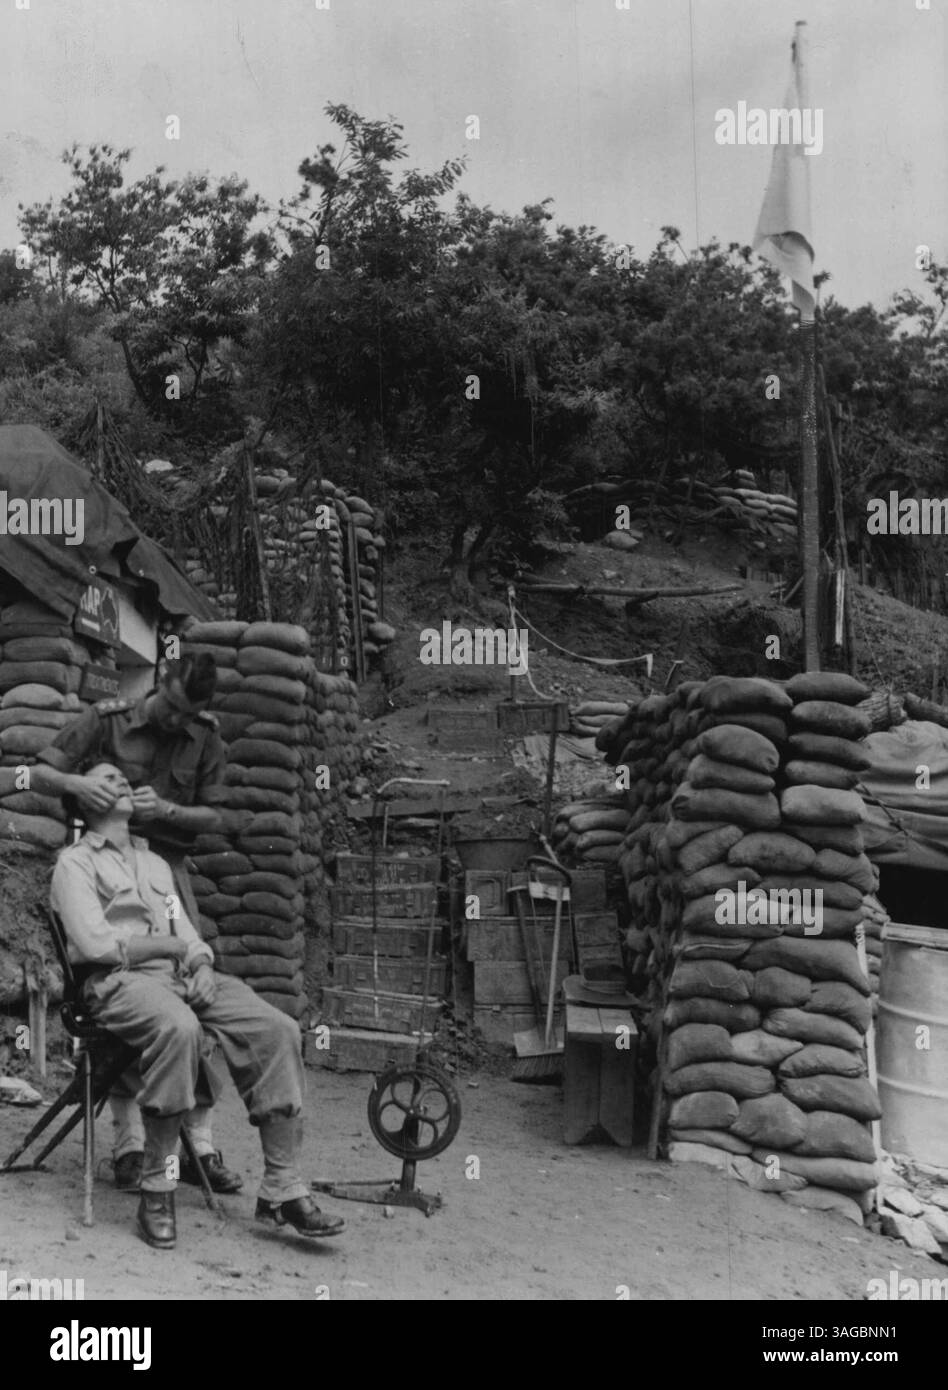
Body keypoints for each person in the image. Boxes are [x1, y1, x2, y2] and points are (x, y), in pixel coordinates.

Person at [50, 762, 345, 1249]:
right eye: (105, 779)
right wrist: (168, 951)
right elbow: (96, 944)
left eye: (122, 777)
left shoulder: (156, 865)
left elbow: (184, 932)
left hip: (179, 977)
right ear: (82, 799)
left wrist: (202, 964)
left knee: (277, 1029)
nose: (120, 781)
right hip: (116, 984)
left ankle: (282, 1186)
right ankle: (157, 1188)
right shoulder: (75, 863)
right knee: (179, 1027)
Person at [33, 651, 241, 1195]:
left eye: (186, 715)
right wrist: (78, 788)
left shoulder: (205, 737)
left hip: (163, 870)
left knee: (194, 995)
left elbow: (220, 817)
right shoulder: (108, 720)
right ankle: (129, 1144)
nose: (175, 722)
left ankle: (200, 1143)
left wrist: (169, 812)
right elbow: (36, 772)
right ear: (160, 681)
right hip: (103, 867)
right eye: (170, 708)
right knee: (124, 1002)